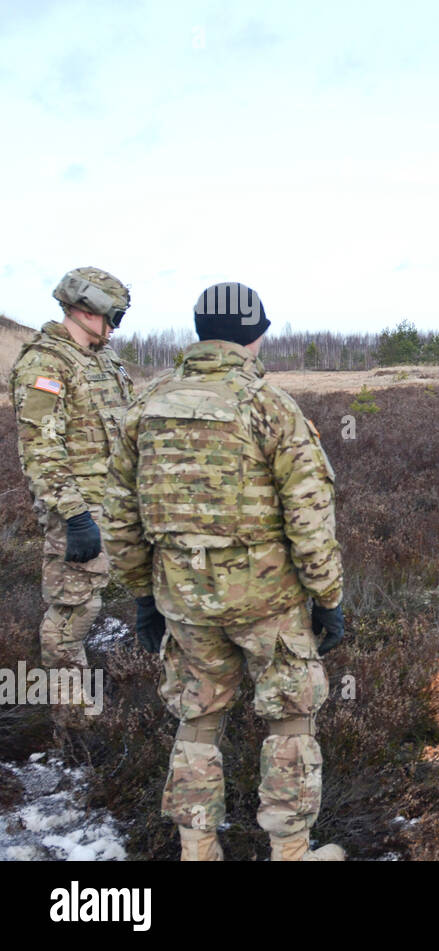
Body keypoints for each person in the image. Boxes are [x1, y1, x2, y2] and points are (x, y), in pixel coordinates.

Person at [103, 282, 347, 862]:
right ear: (257, 334)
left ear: (197, 331)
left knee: (197, 721)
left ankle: (198, 850)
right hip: (269, 602)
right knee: (289, 721)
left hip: (183, 603)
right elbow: (309, 515)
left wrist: (143, 595)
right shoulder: (269, 406)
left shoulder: (147, 405)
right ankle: (290, 855)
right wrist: (328, 597)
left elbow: (119, 515)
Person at [8, 267, 134, 727]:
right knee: (73, 611)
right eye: (114, 314)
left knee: (119, 598)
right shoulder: (46, 363)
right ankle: (72, 719)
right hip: (78, 508)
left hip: (117, 504)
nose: (116, 324)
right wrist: (76, 515)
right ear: (89, 309)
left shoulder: (104, 360)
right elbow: (40, 446)